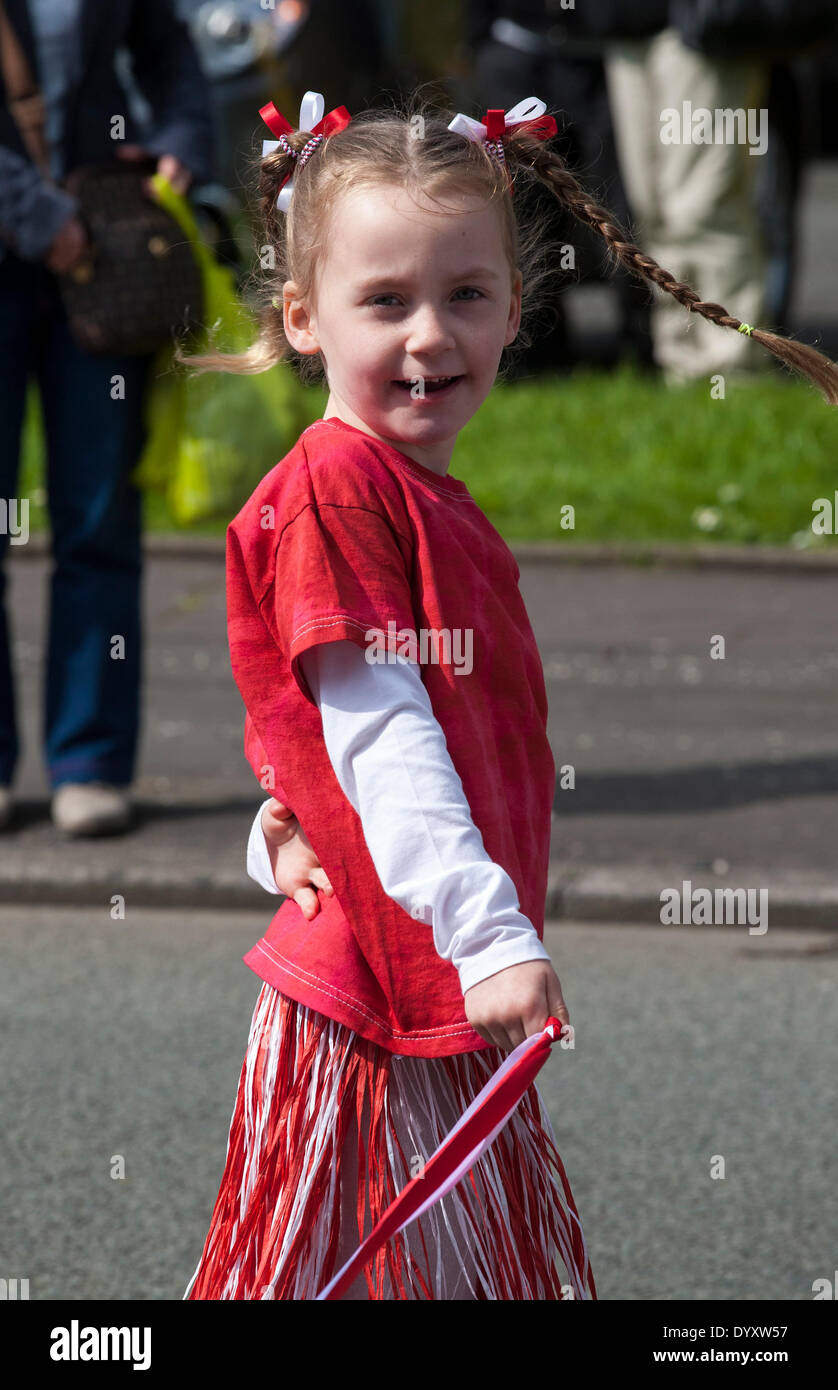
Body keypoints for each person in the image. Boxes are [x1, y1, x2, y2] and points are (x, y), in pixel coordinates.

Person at [180, 90, 838, 1304]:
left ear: (515, 312)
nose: (429, 333)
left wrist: (279, 833)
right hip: (384, 995)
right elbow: (378, 727)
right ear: (304, 318)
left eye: (464, 294)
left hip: (409, 962)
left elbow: (319, 730)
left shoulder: (412, 488)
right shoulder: (338, 488)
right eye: (384, 301)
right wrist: (486, 934)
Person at [0, 0, 214, 836]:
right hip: (42, 235)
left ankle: (88, 764)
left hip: (100, 256)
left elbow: (170, 53)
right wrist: (32, 212)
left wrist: (182, 146)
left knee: (98, 517)